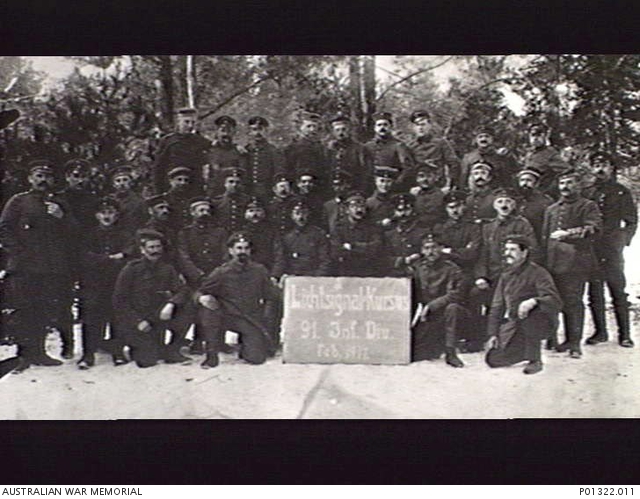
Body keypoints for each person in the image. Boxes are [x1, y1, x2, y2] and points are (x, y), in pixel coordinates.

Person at [0, 161, 78, 370]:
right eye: (38, 176)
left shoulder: (59, 203)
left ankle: (40, 352)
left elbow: (74, 232)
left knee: (43, 310)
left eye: (46, 176)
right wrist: (18, 251)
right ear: (30, 179)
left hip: (51, 267)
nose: (43, 180)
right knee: (24, 311)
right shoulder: (18, 201)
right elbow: (4, 229)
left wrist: (61, 217)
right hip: (24, 267)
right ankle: (22, 356)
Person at [196, 232, 282, 368]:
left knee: (256, 358)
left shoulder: (260, 271)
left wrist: (266, 317)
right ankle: (211, 354)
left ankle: (246, 345)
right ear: (231, 251)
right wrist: (202, 298)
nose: (243, 252)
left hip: (249, 317)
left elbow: (271, 296)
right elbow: (200, 290)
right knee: (208, 311)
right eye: (239, 248)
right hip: (226, 316)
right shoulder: (221, 272)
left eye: (246, 248)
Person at [542, 168, 602, 358]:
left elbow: (594, 228)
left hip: (576, 263)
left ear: (579, 185)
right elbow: (545, 237)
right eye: (562, 183)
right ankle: (553, 338)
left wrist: (569, 234)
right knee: (553, 300)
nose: (565, 187)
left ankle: (574, 343)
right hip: (553, 262)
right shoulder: (551, 209)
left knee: (573, 302)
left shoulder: (588, 206)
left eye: (570, 182)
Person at [112, 229, 191, 368]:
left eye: (158, 247)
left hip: (158, 315)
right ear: (142, 250)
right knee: (147, 361)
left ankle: (172, 350)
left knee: (188, 308)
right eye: (151, 247)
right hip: (137, 318)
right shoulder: (131, 269)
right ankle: (131, 345)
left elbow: (182, 290)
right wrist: (137, 321)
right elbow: (120, 300)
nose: (155, 251)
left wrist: (171, 304)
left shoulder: (167, 268)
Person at [485, 234, 563, 375]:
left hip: (540, 322)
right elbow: (497, 306)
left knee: (532, 315)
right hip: (516, 324)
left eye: (513, 250)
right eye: (506, 249)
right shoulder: (506, 276)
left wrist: (533, 301)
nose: (507, 253)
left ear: (524, 252)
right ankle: (523, 351)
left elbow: (554, 300)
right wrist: (493, 334)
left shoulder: (538, 272)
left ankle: (535, 360)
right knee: (493, 360)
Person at [583, 151, 637, 348]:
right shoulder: (587, 192)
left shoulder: (621, 192)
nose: (600, 168)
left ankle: (624, 334)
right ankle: (600, 332)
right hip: (592, 247)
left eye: (604, 164)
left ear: (611, 168)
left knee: (617, 290)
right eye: (596, 164)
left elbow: (631, 220)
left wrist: (622, 240)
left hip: (612, 247)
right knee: (594, 290)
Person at [79, 197, 136, 368]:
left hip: (117, 282)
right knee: (91, 318)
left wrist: (122, 256)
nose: (107, 216)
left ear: (117, 215)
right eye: (103, 212)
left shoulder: (125, 234)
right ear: (97, 215)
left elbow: (129, 251)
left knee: (117, 317)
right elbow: (84, 255)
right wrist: (108, 258)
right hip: (94, 282)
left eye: (110, 212)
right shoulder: (89, 234)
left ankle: (117, 352)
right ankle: (87, 355)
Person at [410, 232, 469, 367]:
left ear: (441, 248)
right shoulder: (417, 268)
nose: (431, 252)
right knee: (417, 353)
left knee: (452, 308)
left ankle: (451, 352)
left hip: (449, 314)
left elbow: (456, 294)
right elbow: (412, 292)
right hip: (429, 318)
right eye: (427, 248)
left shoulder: (452, 268)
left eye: (434, 247)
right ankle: (435, 345)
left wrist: (431, 305)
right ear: (422, 251)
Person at [153, 107, 211, 195]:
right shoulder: (168, 141)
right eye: (186, 122)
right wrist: (158, 191)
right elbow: (158, 167)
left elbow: (216, 150)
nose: (190, 126)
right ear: (179, 122)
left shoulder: (200, 141)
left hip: (194, 185)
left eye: (193, 122)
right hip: (172, 185)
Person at [329, 191, 384, 277]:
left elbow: (376, 248)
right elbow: (336, 252)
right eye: (354, 206)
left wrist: (352, 246)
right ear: (347, 210)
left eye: (362, 206)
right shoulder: (338, 228)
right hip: (345, 272)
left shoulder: (372, 228)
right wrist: (363, 249)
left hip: (368, 272)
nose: (359, 210)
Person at [272, 200, 331, 280]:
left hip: (313, 276)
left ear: (309, 214)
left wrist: (318, 277)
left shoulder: (318, 234)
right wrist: (276, 276)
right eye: (297, 213)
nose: (301, 217)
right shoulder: (285, 236)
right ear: (292, 216)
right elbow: (281, 258)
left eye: (304, 213)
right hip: (292, 276)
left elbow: (325, 259)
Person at [406, 109, 458, 190]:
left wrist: (451, 185)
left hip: (438, 187)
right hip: (418, 188)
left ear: (429, 125)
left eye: (423, 124)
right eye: (417, 125)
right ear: (413, 128)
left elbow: (453, 163)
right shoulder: (410, 146)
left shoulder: (441, 143)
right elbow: (407, 168)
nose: (420, 128)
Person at [363, 112, 415, 193]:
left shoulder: (398, 145)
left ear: (390, 127)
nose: (382, 127)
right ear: (374, 128)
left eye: (385, 125)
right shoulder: (367, 147)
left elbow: (408, 168)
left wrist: (396, 184)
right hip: (371, 188)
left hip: (392, 188)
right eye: (379, 125)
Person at [433, 189, 481, 273]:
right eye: (451, 207)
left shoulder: (473, 227)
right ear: (446, 209)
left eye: (458, 206)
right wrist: (463, 251)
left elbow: (473, 253)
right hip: (445, 271)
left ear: (464, 206)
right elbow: (438, 252)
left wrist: (450, 251)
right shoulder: (439, 228)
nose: (454, 211)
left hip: (467, 270)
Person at [283, 111, 329, 196]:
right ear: (301, 127)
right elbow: (287, 169)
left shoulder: (323, 148)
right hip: (297, 188)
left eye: (315, 126)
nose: (312, 130)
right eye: (308, 126)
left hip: (318, 189)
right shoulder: (291, 148)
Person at [383, 194, 429, 277]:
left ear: (413, 210)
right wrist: (403, 260)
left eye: (407, 209)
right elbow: (383, 257)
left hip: (418, 275)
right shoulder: (389, 235)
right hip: (394, 276)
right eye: (399, 210)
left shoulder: (423, 232)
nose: (403, 214)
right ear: (394, 212)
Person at [459, 124, 518, 189]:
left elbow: (507, 177)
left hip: (495, 192)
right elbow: (463, 177)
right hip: (474, 192)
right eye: (480, 137)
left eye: (487, 136)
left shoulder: (501, 156)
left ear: (492, 139)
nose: (483, 139)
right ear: (476, 140)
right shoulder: (468, 157)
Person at [325, 114, 370, 193]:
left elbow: (366, 172)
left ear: (349, 130)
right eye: (337, 130)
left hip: (353, 189)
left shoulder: (359, 149)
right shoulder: (328, 148)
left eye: (343, 129)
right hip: (331, 189)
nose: (341, 133)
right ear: (333, 132)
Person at [244, 116, 284, 201]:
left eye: (260, 129)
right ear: (249, 132)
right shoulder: (245, 151)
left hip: (267, 192)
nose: (258, 133)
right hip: (247, 192)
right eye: (254, 130)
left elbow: (279, 173)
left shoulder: (273, 151)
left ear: (266, 131)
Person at [523, 122, 569, 196]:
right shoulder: (529, 153)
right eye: (533, 135)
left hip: (542, 193)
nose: (535, 138)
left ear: (545, 137)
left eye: (539, 135)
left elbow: (567, 171)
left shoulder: (550, 153)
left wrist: (550, 189)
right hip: (528, 190)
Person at [206, 115, 245, 197]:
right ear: (217, 132)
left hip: (234, 193)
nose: (226, 134)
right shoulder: (209, 150)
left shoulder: (239, 152)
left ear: (233, 132)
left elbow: (243, 175)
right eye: (222, 130)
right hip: (213, 192)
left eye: (229, 131)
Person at [516, 167, 553, 244]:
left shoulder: (545, 202)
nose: (524, 184)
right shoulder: (516, 200)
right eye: (522, 180)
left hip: (537, 241)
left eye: (529, 180)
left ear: (536, 183)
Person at [241, 197, 277, 272]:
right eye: (251, 211)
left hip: (267, 269)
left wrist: (275, 274)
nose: (255, 214)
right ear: (245, 214)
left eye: (258, 210)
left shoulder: (271, 232)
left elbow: (278, 255)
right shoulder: (241, 232)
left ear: (264, 213)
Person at [212, 167, 250, 234]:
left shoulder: (248, 201)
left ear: (241, 184)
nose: (234, 185)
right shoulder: (217, 202)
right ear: (225, 184)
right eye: (231, 182)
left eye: (238, 182)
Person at [110, 166, 148, 234]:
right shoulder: (110, 201)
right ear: (114, 185)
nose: (121, 183)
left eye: (125, 180)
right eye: (118, 181)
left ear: (131, 183)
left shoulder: (138, 201)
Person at [410, 160, 446, 229]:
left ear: (436, 178)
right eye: (421, 176)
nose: (425, 179)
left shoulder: (442, 195)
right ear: (417, 179)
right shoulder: (414, 195)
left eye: (429, 176)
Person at [267, 173, 299, 237]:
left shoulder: (296, 202)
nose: (283, 189)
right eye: (281, 186)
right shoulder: (270, 204)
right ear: (274, 189)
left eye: (286, 186)